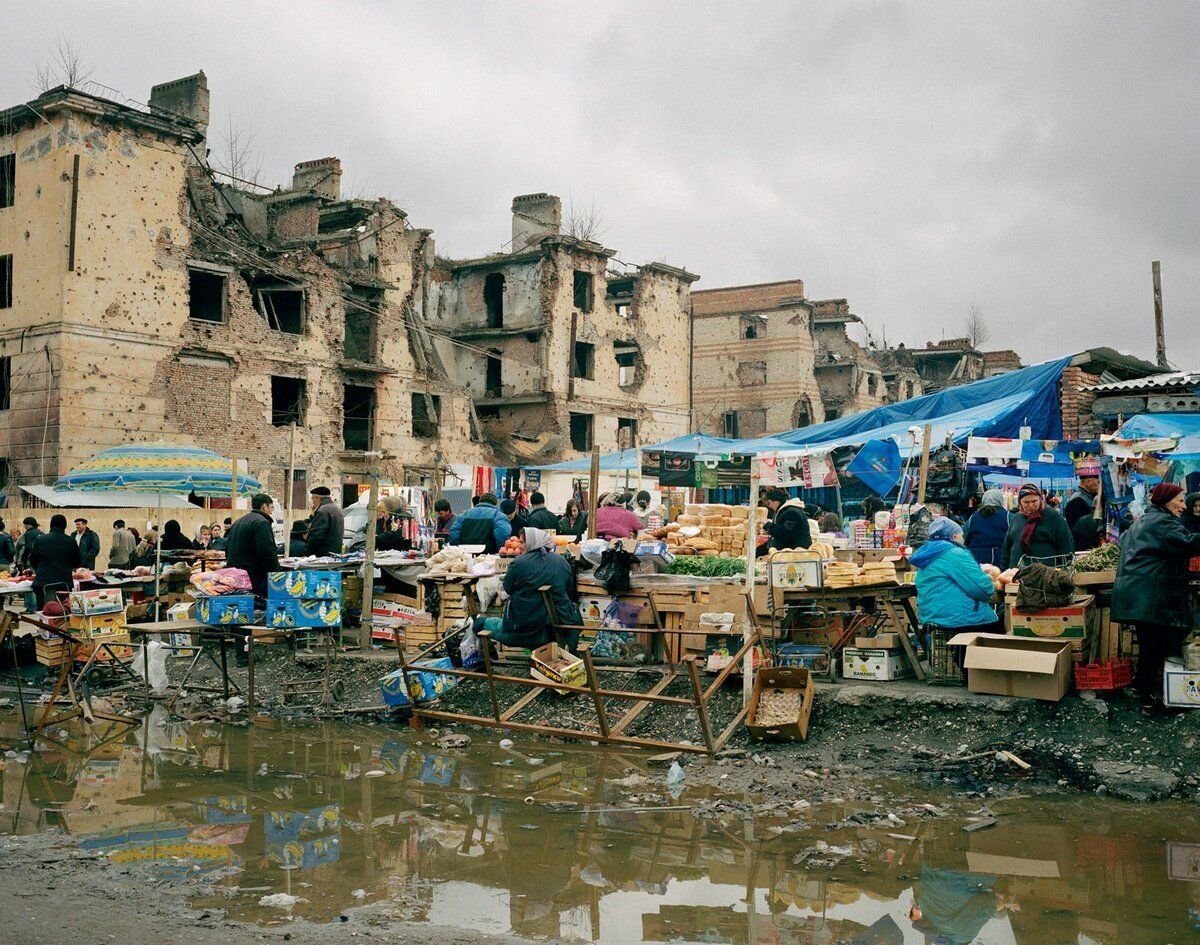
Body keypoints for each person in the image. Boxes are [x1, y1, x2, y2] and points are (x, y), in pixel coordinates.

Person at [1111, 483, 1200, 711]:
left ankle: (1144, 687)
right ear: (1165, 500)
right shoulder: (1162, 522)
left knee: (1150, 644)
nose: (1183, 506)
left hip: (1138, 592)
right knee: (1154, 645)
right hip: (1148, 593)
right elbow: (1189, 543)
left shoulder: (1143, 520)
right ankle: (1148, 697)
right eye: (1180, 501)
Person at [477, 528, 581, 650]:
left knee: (481, 623)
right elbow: (569, 590)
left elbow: (507, 588)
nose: (519, 546)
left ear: (532, 542)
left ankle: (476, 632)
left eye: (522, 542)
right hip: (559, 625)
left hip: (525, 626)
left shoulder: (519, 563)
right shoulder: (561, 561)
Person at [911, 518, 999, 651]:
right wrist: (993, 585)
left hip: (932, 616)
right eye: (962, 535)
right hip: (959, 619)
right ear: (954, 536)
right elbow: (982, 588)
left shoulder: (928, 553)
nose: (963, 539)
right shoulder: (954, 553)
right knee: (998, 628)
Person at [1000, 483, 1074, 569]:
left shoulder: (1053, 517)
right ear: (1020, 502)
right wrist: (1004, 570)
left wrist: (1065, 570)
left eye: (1034, 501)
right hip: (1015, 574)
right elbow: (1006, 548)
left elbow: (1066, 546)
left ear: (1040, 499)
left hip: (1046, 574)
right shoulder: (1017, 518)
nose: (1031, 505)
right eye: (1026, 502)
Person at [224, 494, 280, 599]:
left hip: (236, 575)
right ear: (264, 506)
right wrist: (277, 574)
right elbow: (267, 552)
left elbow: (227, 549)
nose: (272, 512)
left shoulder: (238, 522)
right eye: (271, 507)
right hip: (253, 577)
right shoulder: (262, 523)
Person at [30, 514, 82, 606]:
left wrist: (39, 569)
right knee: (62, 611)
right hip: (64, 582)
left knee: (44, 611)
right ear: (65, 525)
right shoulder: (71, 541)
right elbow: (77, 562)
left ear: (51, 524)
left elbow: (33, 559)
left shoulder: (41, 540)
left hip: (43, 581)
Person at [963, 489, 1010, 566]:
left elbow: (963, 537)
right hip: (1001, 560)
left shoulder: (973, 517)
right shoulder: (1009, 517)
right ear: (1001, 500)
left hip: (977, 560)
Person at [762, 487, 812, 552]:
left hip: (796, 554)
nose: (770, 507)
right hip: (788, 553)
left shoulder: (791, 512)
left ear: (776, 500)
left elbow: (786, 535)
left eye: (769, 503)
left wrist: (768, 525)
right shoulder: (782, 511)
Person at [305, 486, 345, 556]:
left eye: (313, 498)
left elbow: (316, 535)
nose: (312, 502)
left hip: (323, 554)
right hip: (335, 553)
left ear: (318, 498)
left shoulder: (322, 511)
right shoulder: (337, 509)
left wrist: (307, 552)